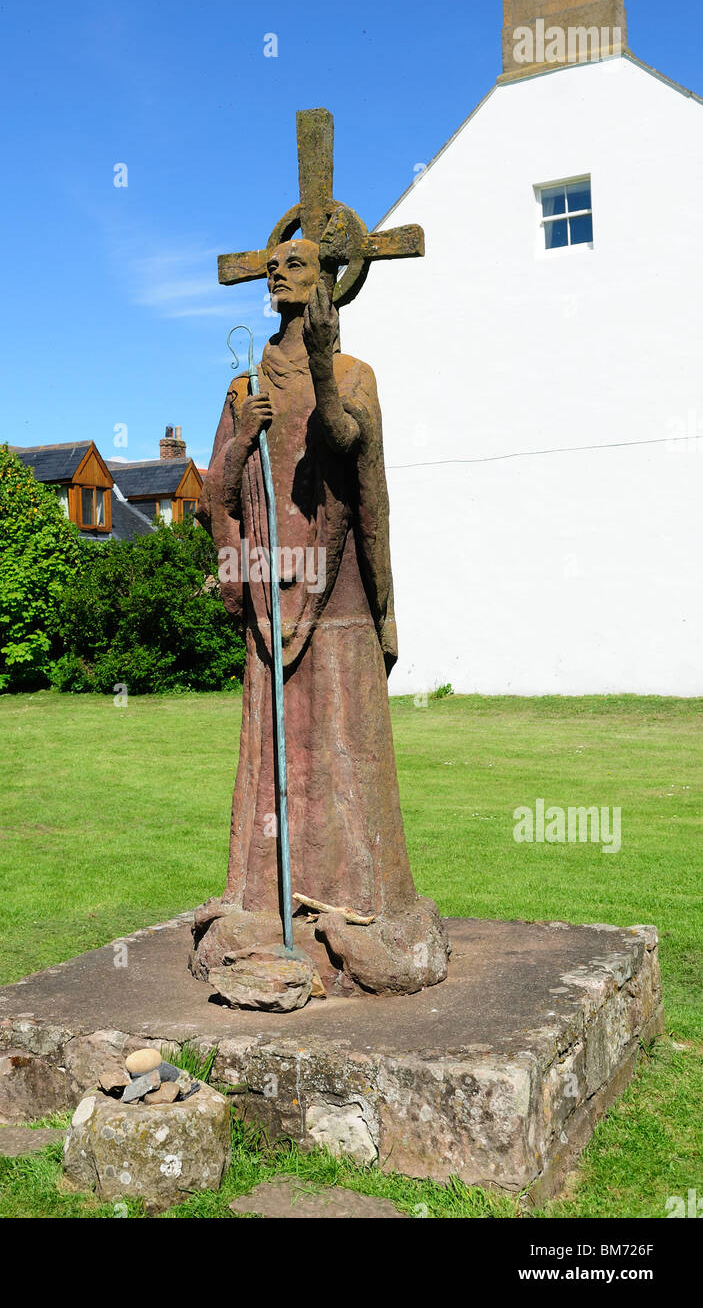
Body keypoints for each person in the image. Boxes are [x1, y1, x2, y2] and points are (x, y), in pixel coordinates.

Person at [193, 237, 448, 996]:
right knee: (280, 756)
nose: (278, 272)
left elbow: (354, 455)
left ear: (330, 277)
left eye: (296, 264)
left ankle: (362, 901)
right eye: (272, 265)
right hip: (272, 593)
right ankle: (267, 901)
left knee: (347, 748)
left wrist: (386, 605)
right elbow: (216, 495)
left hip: (336, 600)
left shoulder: (353, 374)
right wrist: (244, 438)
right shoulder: (244, 387)